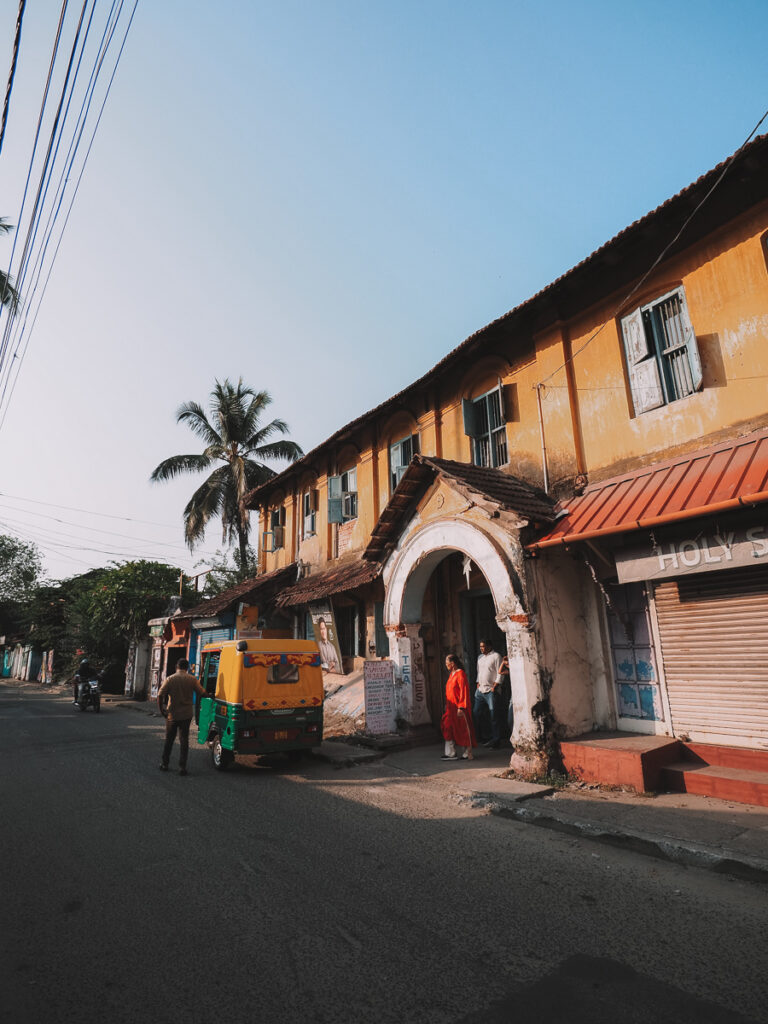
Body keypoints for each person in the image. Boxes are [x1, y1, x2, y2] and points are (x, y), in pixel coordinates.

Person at [156, 658, 207, 775]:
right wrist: (213, 696)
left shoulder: (170, 679)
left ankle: (165, 764)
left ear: (176, 667)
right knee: (184, 740)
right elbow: (202, 693)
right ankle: (182, 767)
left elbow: (160, 695)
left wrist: (162, 711)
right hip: (186, 715)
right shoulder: (192, 679)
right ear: (187, 667)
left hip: (172, 715)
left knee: (169, 740)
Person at [441, 653, 476, 761]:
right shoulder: (451, 674)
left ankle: (466, 753)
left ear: (452, 663)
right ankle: (450, 753)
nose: (446, 665)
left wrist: (461, 707)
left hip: (459, 708)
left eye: (447, 663)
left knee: (462, 729)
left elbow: (463, 691)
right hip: (450, 708)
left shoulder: (460, 674)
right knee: (447, 727)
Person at [473, 639, 504, 748]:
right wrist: (477, 683)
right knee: (477, 713)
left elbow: (500, 672)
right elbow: (479, 672)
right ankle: (484, 737)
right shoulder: (480, 657)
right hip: (480, 690)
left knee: (494, 715)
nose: (482, 648)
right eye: (481, 647)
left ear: (490, 646)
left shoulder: (496, 656)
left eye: (484, 646)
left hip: (491, 690)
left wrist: (496, 685)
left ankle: (496, 741)